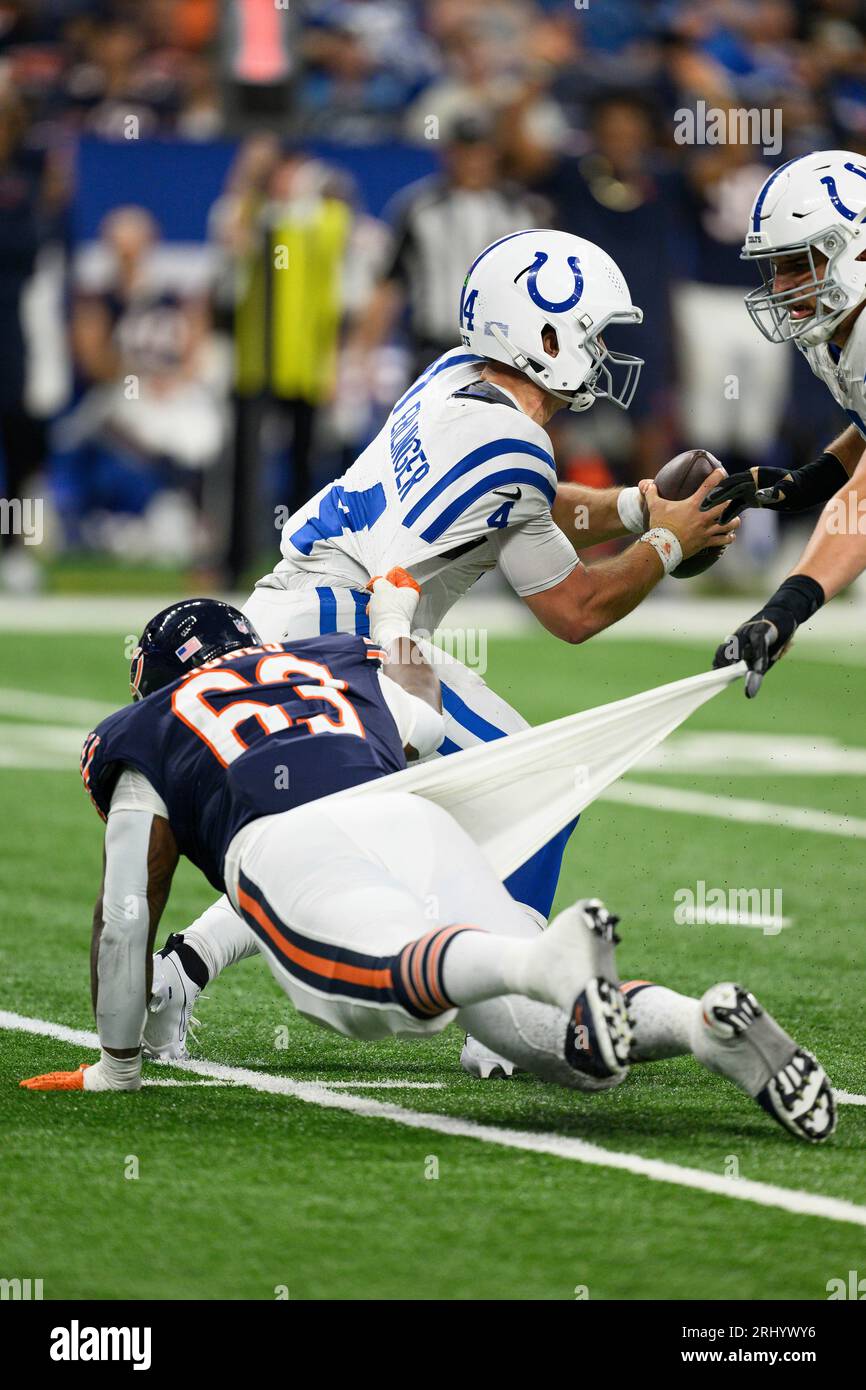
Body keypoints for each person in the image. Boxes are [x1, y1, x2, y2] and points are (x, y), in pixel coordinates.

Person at [144, 227, 738, 1079]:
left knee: (345, 824)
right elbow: (575, 608)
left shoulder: (455, 378)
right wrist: (669, 547)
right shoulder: (514, 446)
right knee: (540, 785)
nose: (605, 353)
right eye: (594, 333)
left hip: (297, 613)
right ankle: (510, 1011)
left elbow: (523, 514)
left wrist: (638, 511)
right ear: (544, 336)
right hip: (353, 636)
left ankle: (182, 969)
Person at [21, 578, 835, 1143]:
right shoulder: (322, 662)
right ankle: (703, 1026)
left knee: (373, 994)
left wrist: (116, 1065)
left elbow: (128, 912)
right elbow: (423, 728)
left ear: (153, 683)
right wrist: (399, 618)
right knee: (543, 1042)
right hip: (410, 816)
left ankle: (542, 957)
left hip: (289, 844)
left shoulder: (146, 728)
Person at [708, 151, 866, 694]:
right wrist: (811, 480)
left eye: (799, 263)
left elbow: (863, 503)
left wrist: (787, 607)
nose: (780, 287)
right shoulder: (843, 322)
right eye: (776, 266)